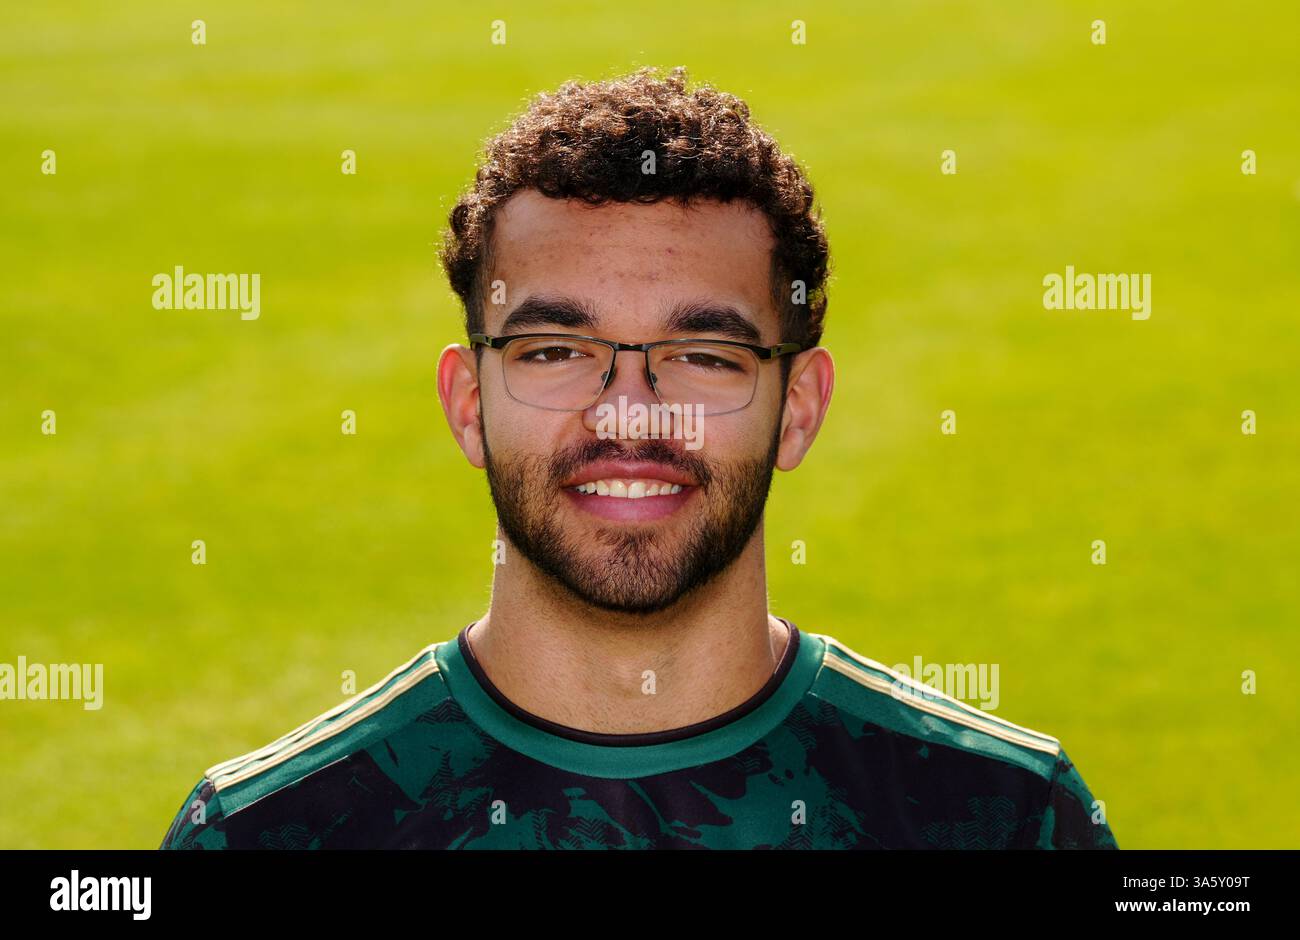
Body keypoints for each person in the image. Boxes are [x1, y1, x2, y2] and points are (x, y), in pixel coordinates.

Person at [161, 66, 1116, 849]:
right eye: (556, 351)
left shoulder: (1004, 820)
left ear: (798, 407)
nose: (628, 413)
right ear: (467, 404)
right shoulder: (266, 835)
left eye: (702, 356)